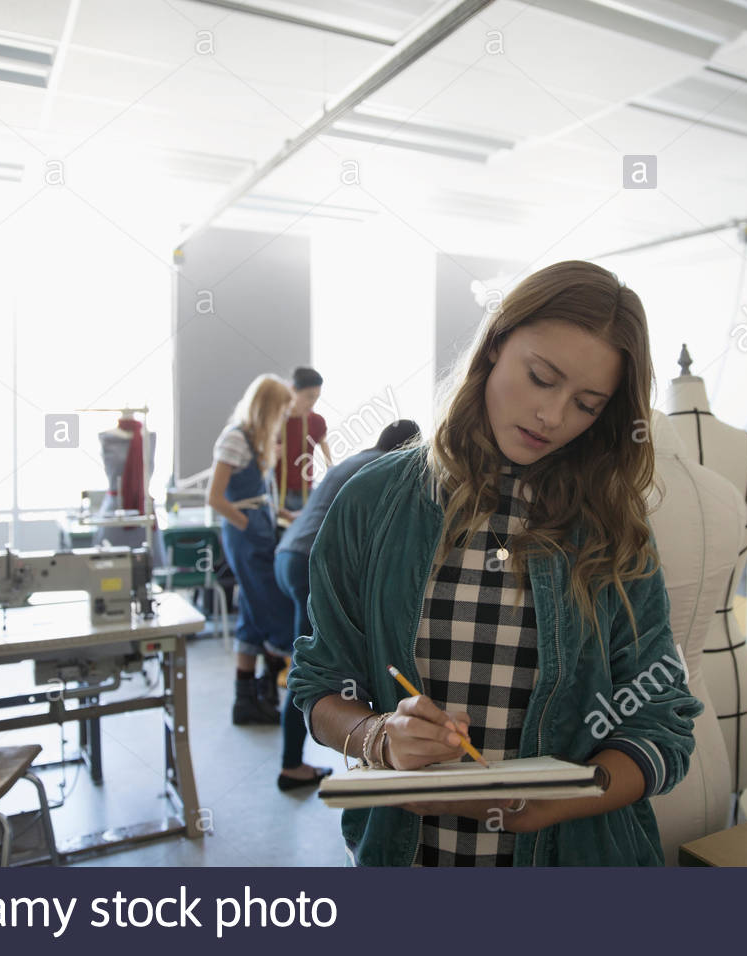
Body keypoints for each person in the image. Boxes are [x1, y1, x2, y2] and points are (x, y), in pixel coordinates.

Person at [288, 260, 700, 866]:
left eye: (587, 404)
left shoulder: (610, 530)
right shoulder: (374, 504)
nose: (553, 417)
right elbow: (321, 687)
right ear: (494, 345)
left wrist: (562, 799)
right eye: (540, 377)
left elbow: (663, 721)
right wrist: (379, 738)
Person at [272, 419, 422, 791]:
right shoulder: (386, 472)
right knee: (314, 668)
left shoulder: (352, 461)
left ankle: (294, 758)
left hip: (288, 554)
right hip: (310, 562)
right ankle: (292, 765)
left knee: (303, 658)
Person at [207, 374, 299, 724]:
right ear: (269, 407)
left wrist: (279, 513)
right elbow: (215, 498)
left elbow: (257, 493)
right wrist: (246, 524)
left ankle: (249, 699)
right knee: (270, 603)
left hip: (259, 527)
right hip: (246, 535)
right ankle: (269, 685)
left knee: (251, 606)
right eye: (282, 410)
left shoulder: (256, 440)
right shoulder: (235, 438)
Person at [277, 367, 332, 514]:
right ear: (293, 390)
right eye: (309, 396)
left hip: (305, 494)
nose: (312, 403)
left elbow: (329, 462)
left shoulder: (317, 421)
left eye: (316, 397)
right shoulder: (275, 421)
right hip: (276, 494)